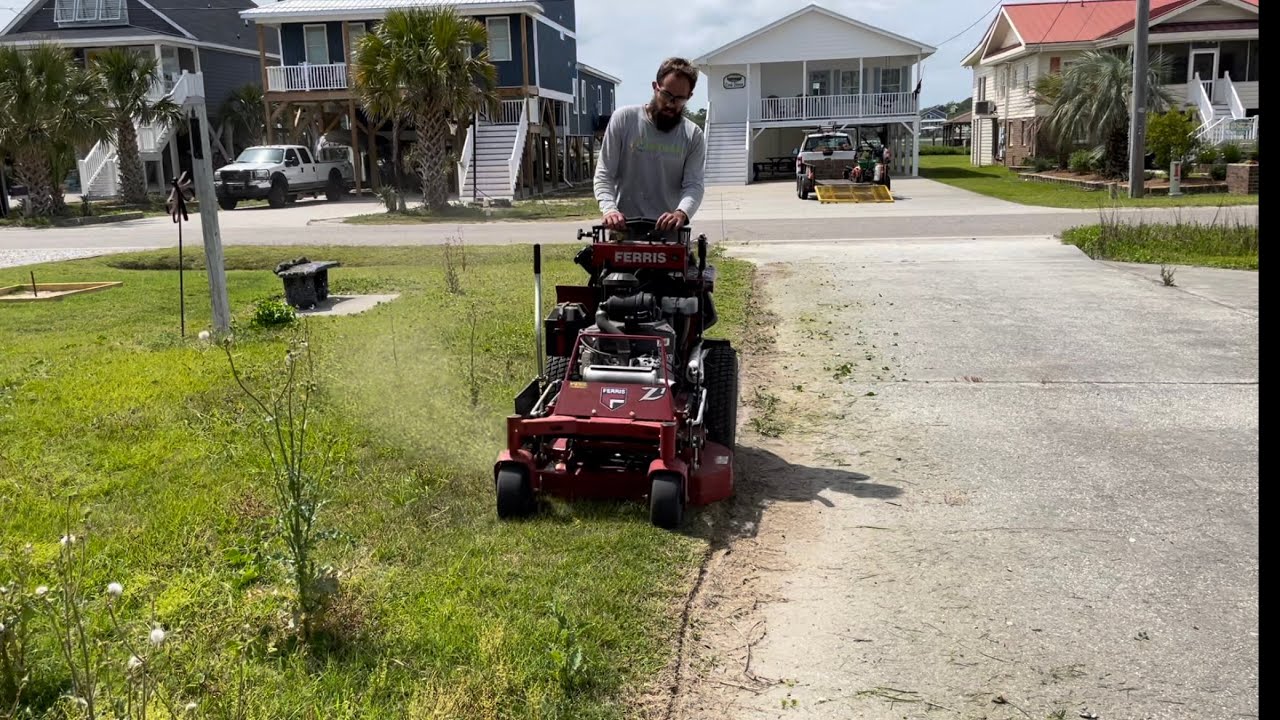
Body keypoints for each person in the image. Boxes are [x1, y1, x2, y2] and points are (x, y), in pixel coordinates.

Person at [594, 57, 706, 233]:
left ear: (689, 96)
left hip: (668, 234)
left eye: (679, 99)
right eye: (666, 95)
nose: (670, 104)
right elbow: (605, 173)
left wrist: (681, 213)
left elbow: (694, 185)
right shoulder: (624, 119)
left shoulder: (693, 135)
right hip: (624, 230)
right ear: (655, 87)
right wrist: (610, 210)